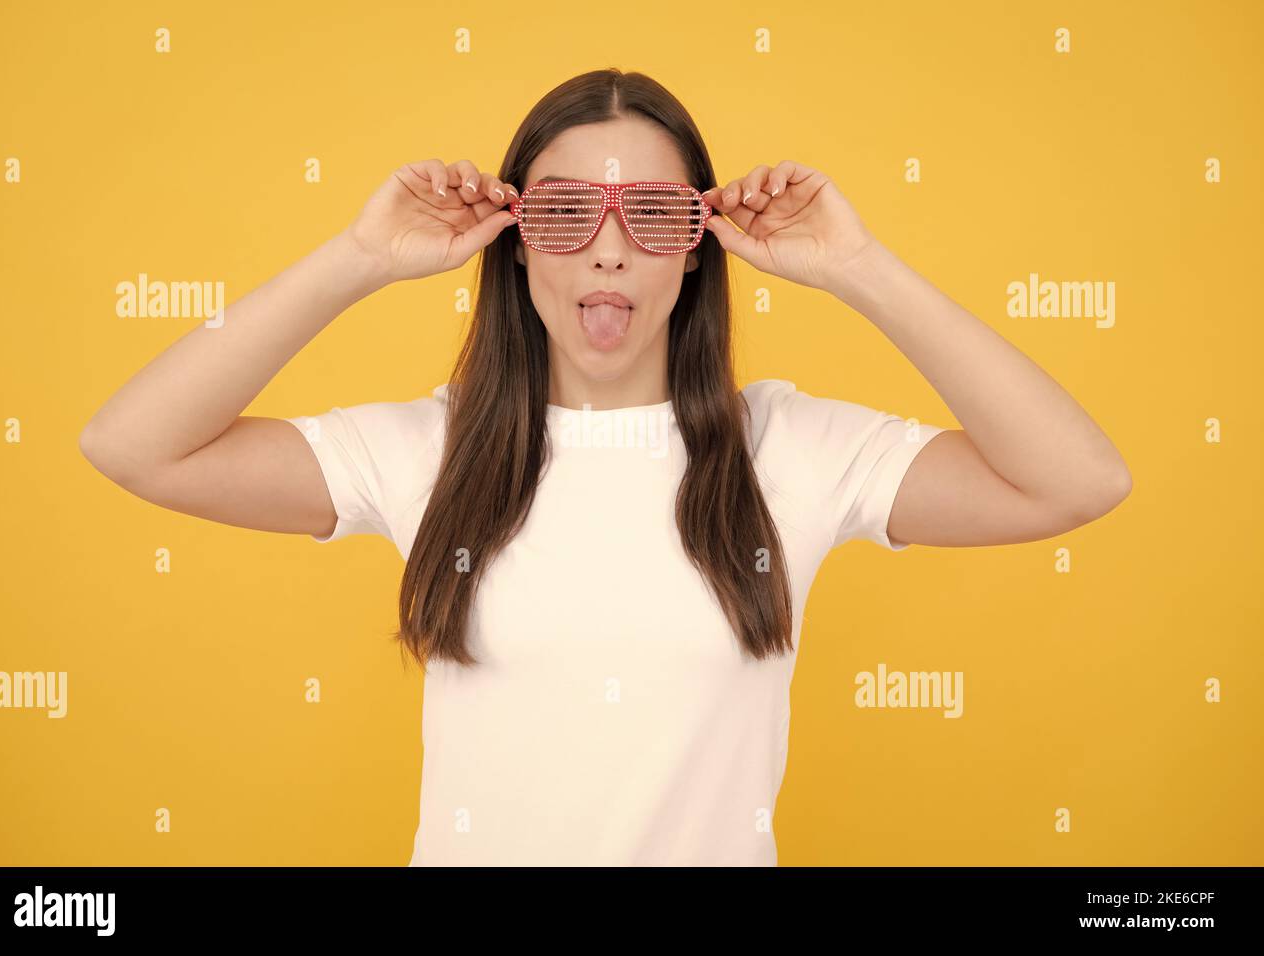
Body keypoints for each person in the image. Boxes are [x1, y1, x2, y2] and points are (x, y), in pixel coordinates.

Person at [79, 68, 1131, 866]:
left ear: (696, 246)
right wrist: (358, 258)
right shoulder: (427, 451)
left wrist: (859, 269)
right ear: (517, 241)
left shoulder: (793, 451)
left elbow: (1075, 479)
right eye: (565, 212)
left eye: (657, 215)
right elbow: (134, 444)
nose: (609, 250)